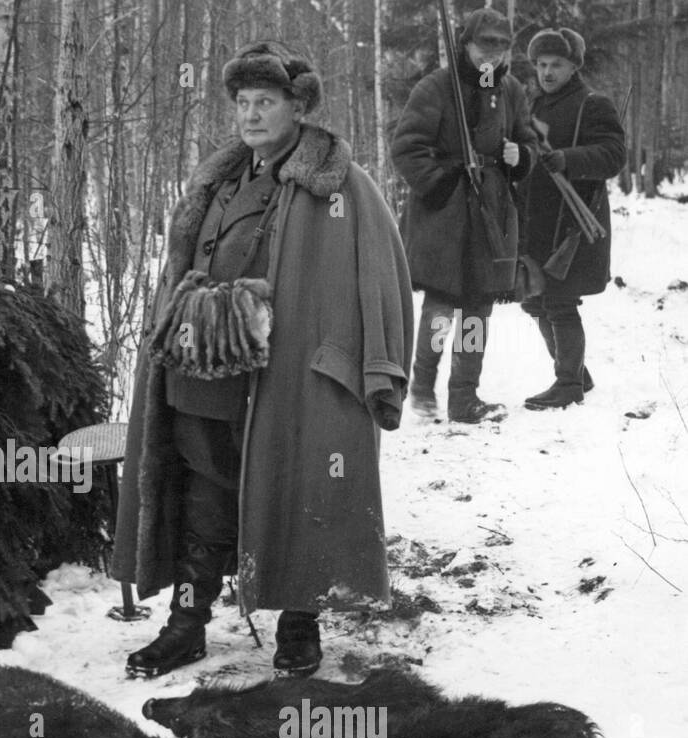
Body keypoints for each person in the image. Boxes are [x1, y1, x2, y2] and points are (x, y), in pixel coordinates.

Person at [111, 41, 413, 680]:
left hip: (292, 375)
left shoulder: (341, 185)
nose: (250, 116)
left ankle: (298, 625)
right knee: (201, 492)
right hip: (203, 367)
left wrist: (380, 368)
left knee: (299, 489)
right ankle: (186, 624)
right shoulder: (216, 180)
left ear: (297, 107)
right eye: (242, 103)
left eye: (265, 102)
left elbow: (383, 276)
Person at [391, 7, 539, 423]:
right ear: (465, 45)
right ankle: (421, 388)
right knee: (440, 304)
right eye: (483, 46)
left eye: (500, 47)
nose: (490, 56)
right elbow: (407, 148)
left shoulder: (509, 90)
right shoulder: (436, 88)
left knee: (477, 307)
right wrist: (441, 184)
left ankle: (464, 396)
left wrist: (519, 156)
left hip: (491, 214)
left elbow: (528, 141)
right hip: (444, 212)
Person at [519, 28, 626, 410]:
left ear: (573, 66)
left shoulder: (592, 104)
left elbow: (614, 155)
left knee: (560, 302)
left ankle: (567, 384)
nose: (547, 73)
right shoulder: (533, 106)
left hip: (574, 222)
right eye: (542, 65)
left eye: (556, 65)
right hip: (536, 222)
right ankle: (576, 371)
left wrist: (569, 159)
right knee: (533, 300)